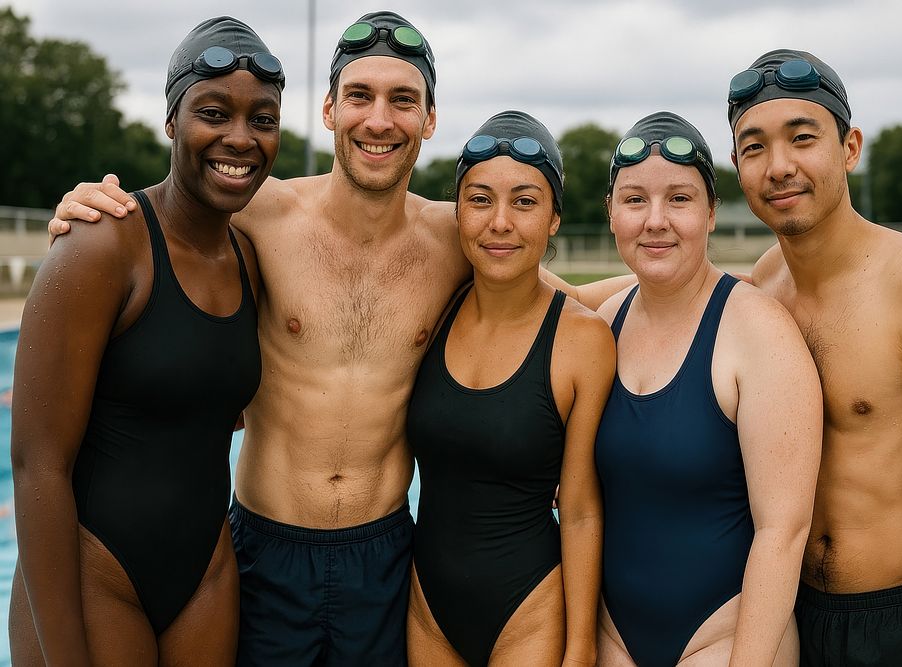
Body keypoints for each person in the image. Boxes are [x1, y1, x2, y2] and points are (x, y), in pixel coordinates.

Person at [46, 11, 628, 665]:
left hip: (383, 557)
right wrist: (92, 207)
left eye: (402, 100)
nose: (379, 120)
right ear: (328, 109)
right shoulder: (261, 213)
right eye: (359, 96)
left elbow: (559, 302)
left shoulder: (455, 237)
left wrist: (681, 287)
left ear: (429, 120)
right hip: (267, 549)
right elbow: (164, 221)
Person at [9, 16, 281, 665]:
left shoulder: (250, 257)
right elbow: (37, 463)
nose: (239, 138)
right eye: (213, 112)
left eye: (263, 119)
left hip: (206, 575)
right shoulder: (104, 244)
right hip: (95, 570)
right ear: (171, 121)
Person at [729, 49, 902, 666]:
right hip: (795, 619)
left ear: (849, 148)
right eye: (754, 148)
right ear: (738, 169)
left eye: (802, 138)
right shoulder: (765, 285)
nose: (780, 167)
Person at [594, 111, 822, 665]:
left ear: (711, 213)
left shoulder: (758, 331)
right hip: (612, 638)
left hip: (724, 637)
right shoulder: (602, 325)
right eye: (634, 200)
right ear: (611, 213)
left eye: (679, 199)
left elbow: (784, 531)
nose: (656, 221)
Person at [406, 111, 614, 666]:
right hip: (426, 605)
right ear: (457, 212)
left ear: (554, 218)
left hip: (529, 608)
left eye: (524, 202)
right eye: (480, 200)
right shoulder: (433, 308)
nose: (500, 222)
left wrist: (580, 646)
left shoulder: (582, 341)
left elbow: (580, 509)